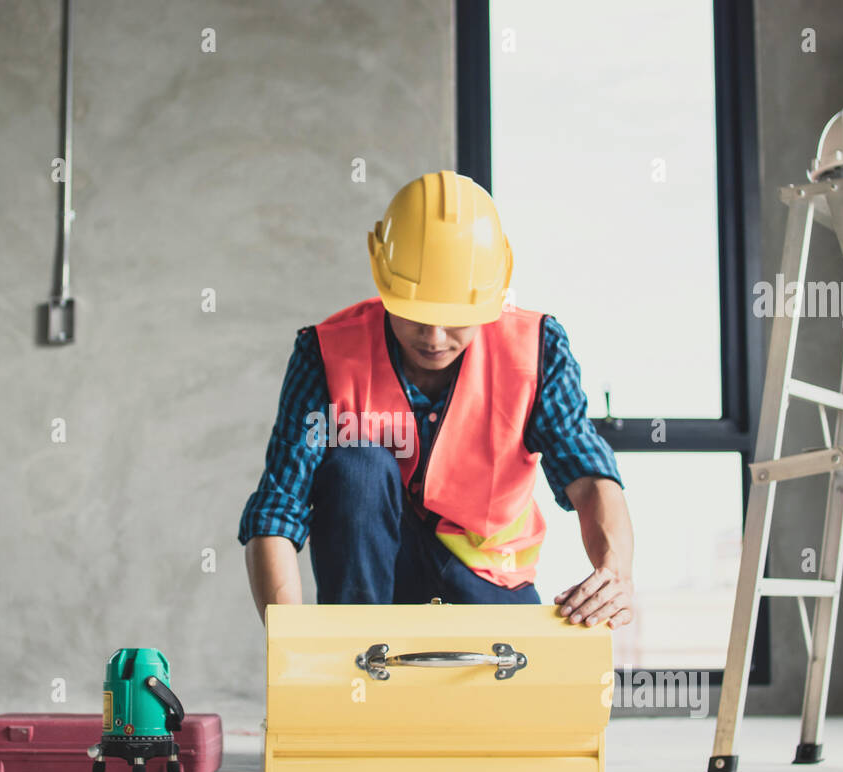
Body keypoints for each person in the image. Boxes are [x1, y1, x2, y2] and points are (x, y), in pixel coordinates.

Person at [239, 170, 634, 629]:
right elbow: (278, 506)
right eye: (416, 317)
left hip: (489, 578)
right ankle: (359, 655)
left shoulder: (536, 348)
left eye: (456, 321)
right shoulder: (326, 352)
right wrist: (293, 643)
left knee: (525, 693)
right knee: (357, 466)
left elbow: (586, 476)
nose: (434, 338)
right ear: (383, 279)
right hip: (370, 587)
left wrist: (615, 574)